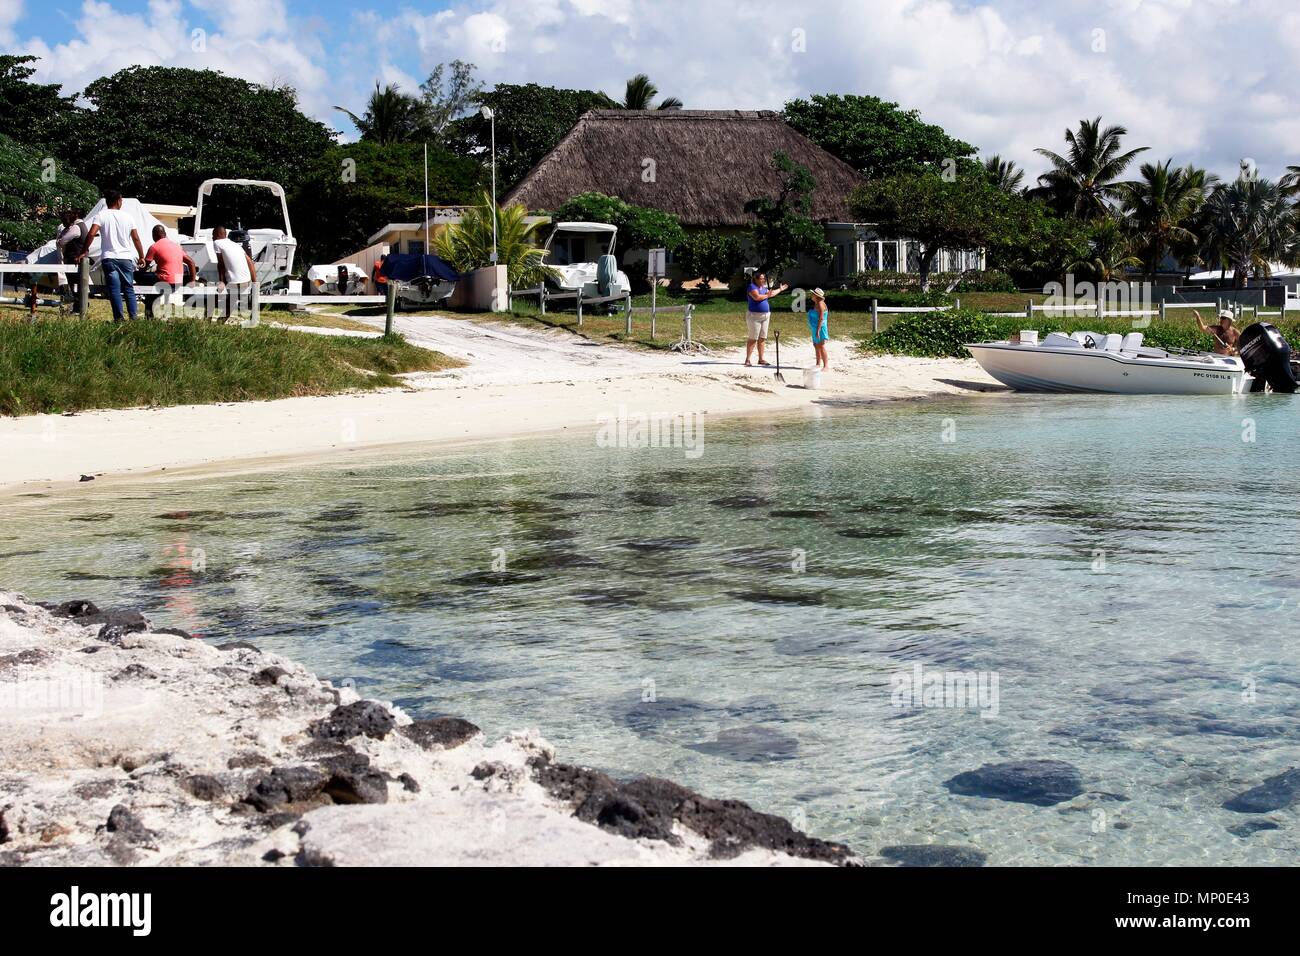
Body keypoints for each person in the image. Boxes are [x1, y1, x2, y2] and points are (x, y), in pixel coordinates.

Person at [77, 190, 144, 322]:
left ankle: (118, 318)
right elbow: (136, 238)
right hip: (126, 258)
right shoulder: (128, 217)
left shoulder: (101, 215)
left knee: (114, 289)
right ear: (119, 200)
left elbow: (91, 234)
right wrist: (141, 255)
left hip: (109, 257)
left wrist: (85, 250)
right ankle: (133, 317)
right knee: (129, 288)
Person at [139, 225, 198, 319]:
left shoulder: (154, 247)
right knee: (152, 293)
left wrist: (138, 272)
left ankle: (149, 317)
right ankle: (151, 315)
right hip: (178, 283)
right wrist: (192, 280)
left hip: (165, 281)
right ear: (165, 234)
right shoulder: (177, 246)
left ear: (154, 235)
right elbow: (191, 262)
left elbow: (144, 267)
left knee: (137, 275)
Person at [212, 225, 257, 320]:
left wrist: (221, 282)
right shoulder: (235, 245)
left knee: (213, 300)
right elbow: (250, 263)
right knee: (231, 303)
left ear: (218, 234)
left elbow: (221, 264)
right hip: (246, 280)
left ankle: (209, 322)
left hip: (234, 281)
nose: (212, 237)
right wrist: (254, 282)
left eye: (213, 234)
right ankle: (219, 323)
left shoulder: (217, 242)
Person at [745, 270, 787, 366]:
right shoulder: (752, 287)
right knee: (753, 338)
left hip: (765, 315)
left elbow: (770, 294)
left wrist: (780, 289)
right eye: (761, 278)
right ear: (755, 279)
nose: (763, 280)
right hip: (754, 316)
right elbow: (757, 297)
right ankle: (747, 359)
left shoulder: (763, 288)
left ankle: (761, 359)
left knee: (762, 338)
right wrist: (767, 295)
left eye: (764, 278)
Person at [807, 287, 830, 371]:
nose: (811, 295)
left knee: (821, 345)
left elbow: (821, 318)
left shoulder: (820, 304)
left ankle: (826, 366)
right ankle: (817, 364)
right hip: (815, 327)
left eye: (812, 294)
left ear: (816, 296)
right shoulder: (817, 302)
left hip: (820, 328)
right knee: (816, 345)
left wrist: (818, 330)